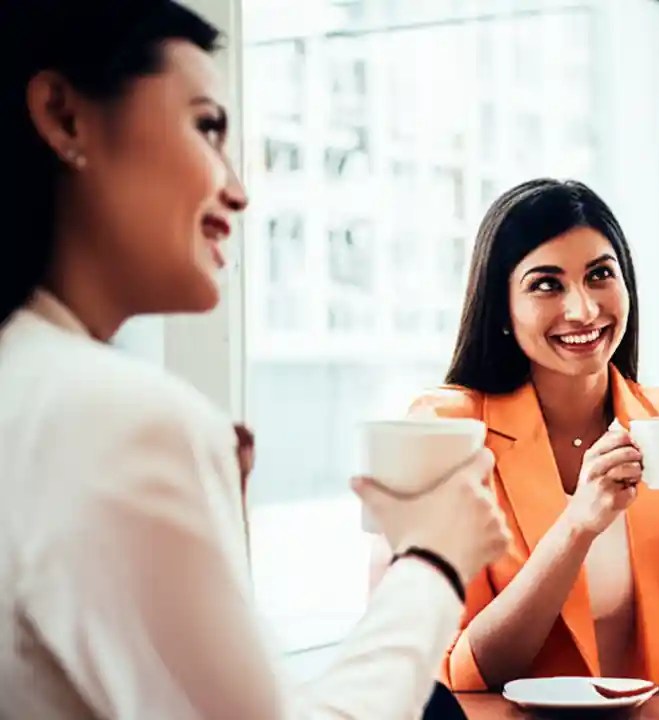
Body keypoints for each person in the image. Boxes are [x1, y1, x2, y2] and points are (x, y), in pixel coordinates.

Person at [0, 1, 509, 717]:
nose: (238, 189)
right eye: (207, 126)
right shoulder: (114, 418)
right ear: (64, 115)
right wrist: (433, 561)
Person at [370, 178, 659, 690]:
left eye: (600, 275)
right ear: (501, 306)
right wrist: (577, 526)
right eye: (546, 284)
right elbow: (458, 673)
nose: (584, 310)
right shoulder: (447, 434)